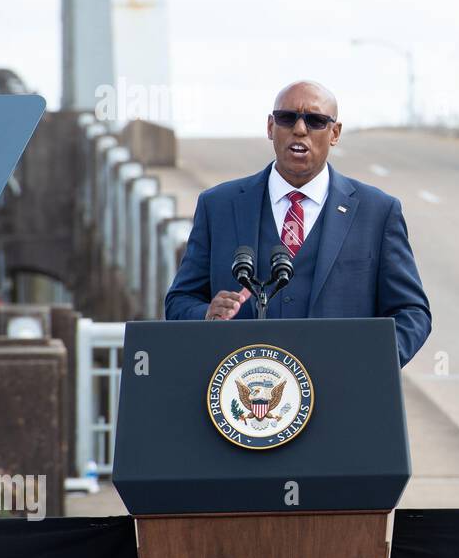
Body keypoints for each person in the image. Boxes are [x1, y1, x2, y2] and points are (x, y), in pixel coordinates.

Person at [163, 80, 431, 366]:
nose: (300, 129)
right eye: (287, 118)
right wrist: (205, 315)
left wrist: (371, 366)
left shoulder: (377, 212)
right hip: (246, 395)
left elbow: (412, 313)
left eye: (315, 121)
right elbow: (179, 301)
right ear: (270, 127)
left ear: (335, 133)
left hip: (342, 397)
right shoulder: (218, 205)